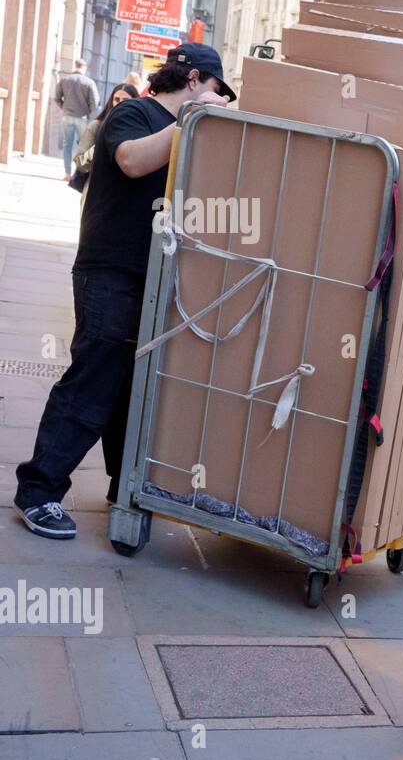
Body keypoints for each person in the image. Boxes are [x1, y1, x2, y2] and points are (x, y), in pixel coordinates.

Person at [13, 43, 236, 540]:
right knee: (94, 379)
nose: (221, 101)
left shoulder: (191, 132)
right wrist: (188, 123)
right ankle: (38, 490)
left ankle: (125, 488)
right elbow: (132, 161)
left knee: (133, 388)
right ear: (195, 80)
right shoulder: (135, 111)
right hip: (111, 269)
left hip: (154, 274)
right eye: (218, 91)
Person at [69, 82, 140, 199]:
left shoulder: (141, 128)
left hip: (129, 195)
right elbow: (80, 163)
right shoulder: (96, 126)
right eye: (117, 99)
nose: (120, 103)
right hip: (97, 193)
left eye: (125, 99)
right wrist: (100, 147)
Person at [53, 60, 100, 181]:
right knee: (84, 147)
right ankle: (79, 174)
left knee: (67, 145)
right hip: (82, 118)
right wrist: (87, 111)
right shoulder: (89, 82)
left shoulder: (64, 80)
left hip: (67, 116)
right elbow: (95, 102)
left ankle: (67, 174)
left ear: (75, 66)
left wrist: (64, 107)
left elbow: (57, 97)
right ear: (84, 68)